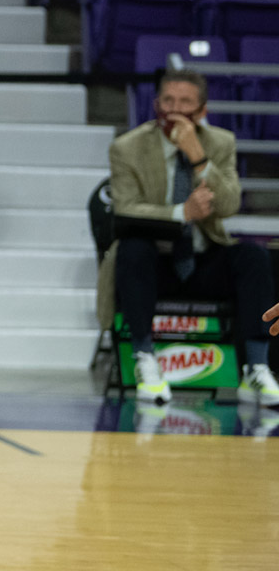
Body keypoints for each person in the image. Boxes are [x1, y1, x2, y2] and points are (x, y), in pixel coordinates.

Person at [108, 71, 278, 406]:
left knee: (254, 257)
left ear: (201, 110)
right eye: (168, 100)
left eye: (185, 102)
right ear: (156, 104)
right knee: (132, 250)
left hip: (203, 259)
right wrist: (180, 214)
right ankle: (145, 359)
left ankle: (256, 367)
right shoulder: (127, 148)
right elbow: (125, 210)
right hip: (154, 263)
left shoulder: (221, 142)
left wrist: (198, 156)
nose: (174, 109)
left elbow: (228, 205)